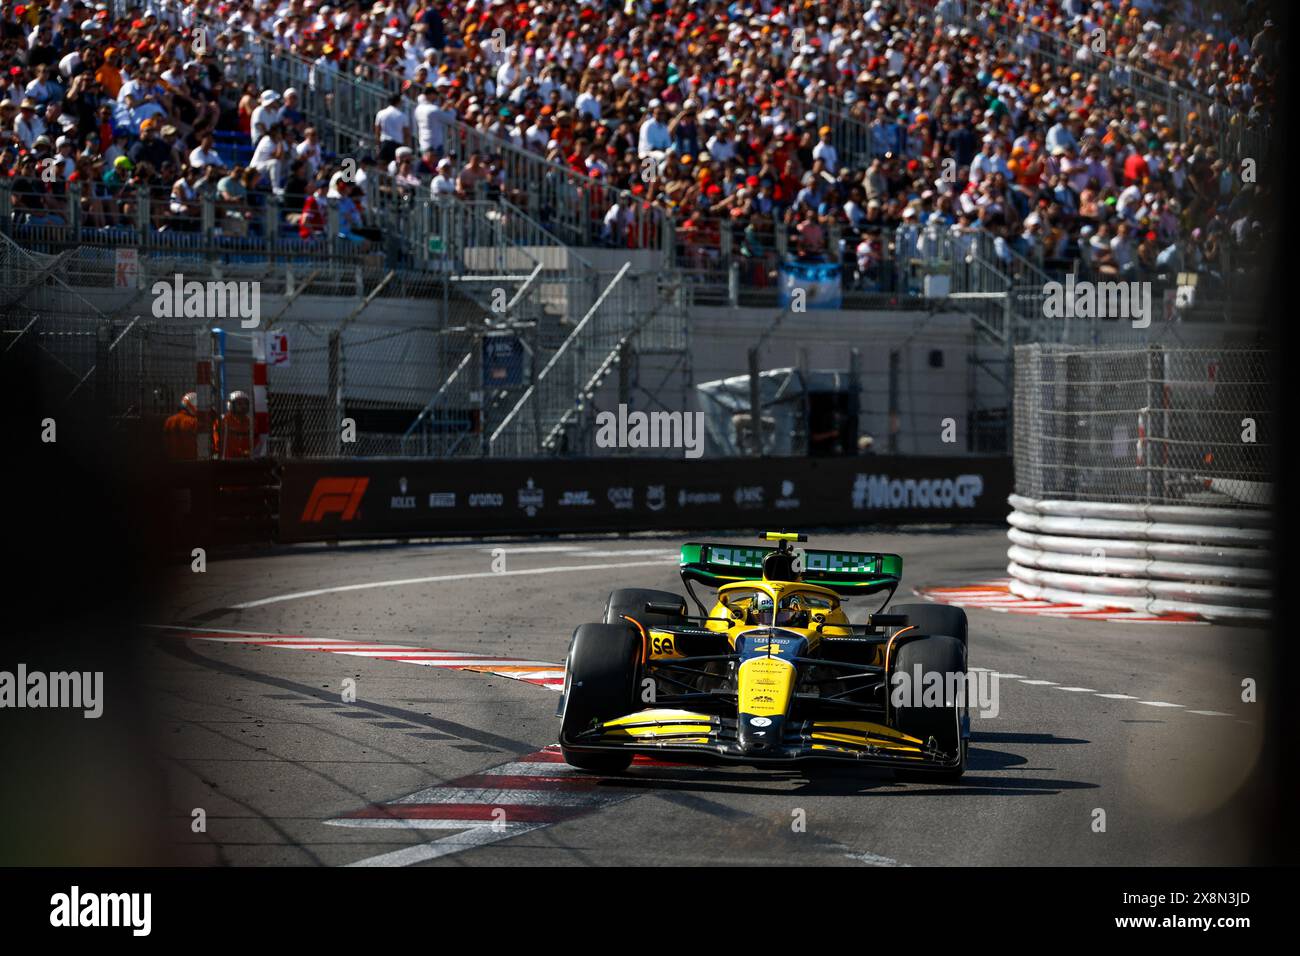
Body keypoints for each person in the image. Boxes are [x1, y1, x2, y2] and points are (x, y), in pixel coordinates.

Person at [214, 391, 252, 459]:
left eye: (245, 404)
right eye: (239, 404)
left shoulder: (250, 422)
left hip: (245, 460)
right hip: (227, 460)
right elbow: (217, 443)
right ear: (230, 405)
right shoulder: (223, 421)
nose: (243, 407)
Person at [163, 391, 199, 461]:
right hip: (190, 461)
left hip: (172, 460)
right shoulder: (193, 422)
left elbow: (165, 443)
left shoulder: (169, 421)